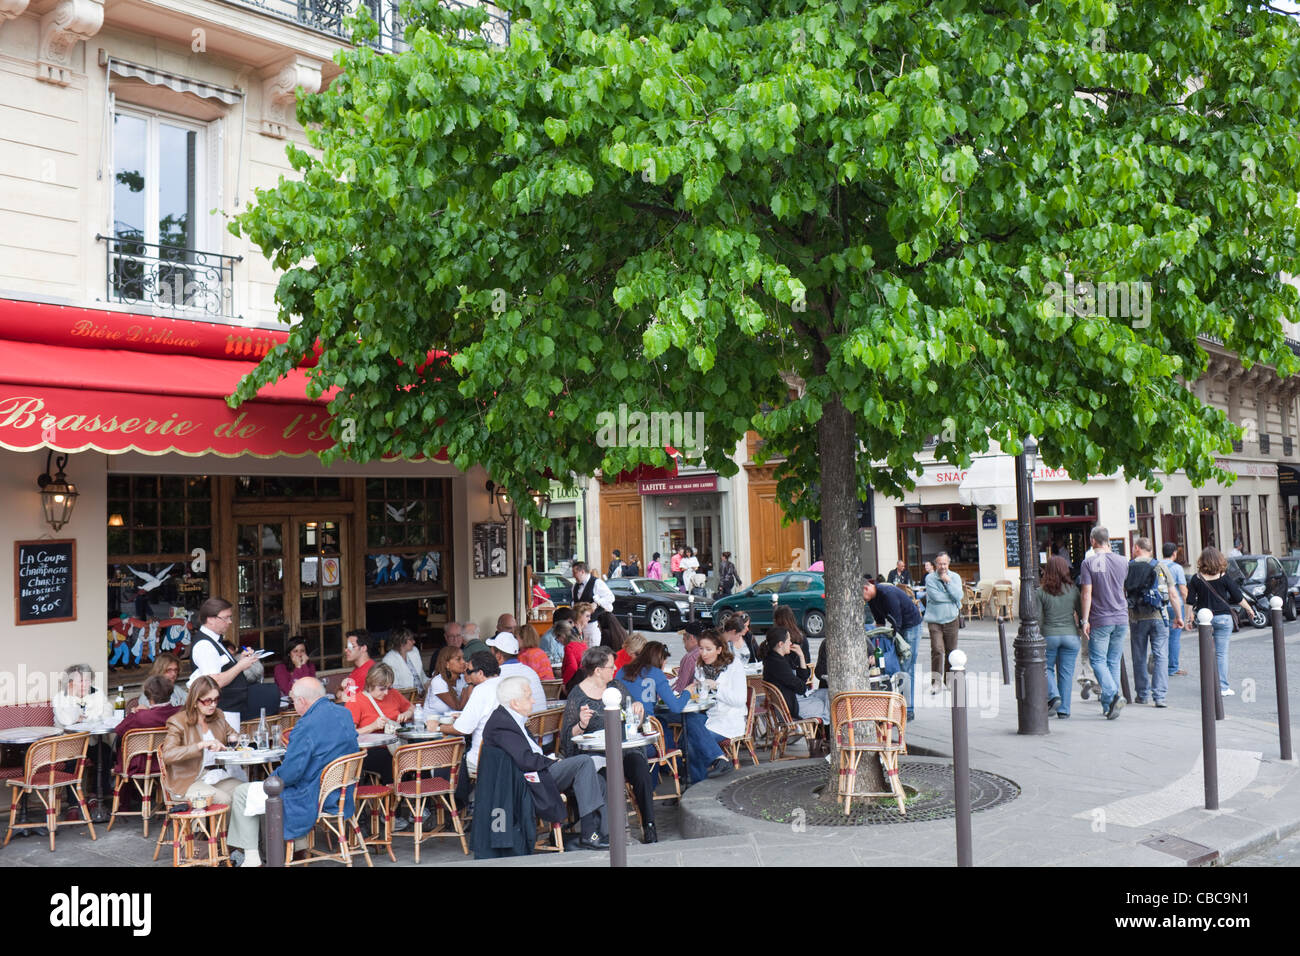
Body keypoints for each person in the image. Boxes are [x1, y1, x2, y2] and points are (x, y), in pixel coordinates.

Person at [226, 676, 359, 867]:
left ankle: (252, 859)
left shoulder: (306, 725)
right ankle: (285, 850)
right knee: (262, 793)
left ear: (301, 701)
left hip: (313, 796)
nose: (293, 704)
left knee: (242, 793)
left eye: (292, 700)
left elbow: (290, 775)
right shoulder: (344, 713)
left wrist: (272, 777)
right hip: (341, 793)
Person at [480, 676, 609, 851]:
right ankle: (588, 833)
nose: (533, 701)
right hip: (529, 780)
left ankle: (603, 832)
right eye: (529, 696)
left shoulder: (510, 718)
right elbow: (525, 760)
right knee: (584, 762)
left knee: (598, 778)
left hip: (538, 771)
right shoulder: (502, 723)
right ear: (515, 703)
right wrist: (551, 761)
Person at [559, 645, 660, 843]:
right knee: (604, 778)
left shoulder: (616, 687)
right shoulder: (577, 695)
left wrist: (637, 712)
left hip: (623, 750)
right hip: (597, 756)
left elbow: (634, 716)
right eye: (610, 667)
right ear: (597, 670)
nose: (614, 670)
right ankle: (610, 830)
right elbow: (566, 737)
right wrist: (581, 724)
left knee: (640, 770)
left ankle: (649, 825)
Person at [160, 676, 243, 807]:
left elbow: (233, 735)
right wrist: (201, 745)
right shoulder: (178, 721)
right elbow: (168, 755)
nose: (213, 705)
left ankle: (235, 828)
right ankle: (216, 828)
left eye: (216, 700)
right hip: (188, 780)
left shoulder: (218, 716)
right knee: (224, 799)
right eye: (207, 701)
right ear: (195, 701)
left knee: (245, 792)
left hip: (215, 775)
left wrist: (234, 739)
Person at [1079, 525, 1132, 719]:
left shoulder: (1089, 563)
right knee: (1113, 661)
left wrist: (1084, 620)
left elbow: (1087, 593)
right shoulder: (1122, 561)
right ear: (1108, 540)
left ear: (1093, 541)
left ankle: (1113, 693)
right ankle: (1108, 706)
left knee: (1098, 660)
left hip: (1101, 618)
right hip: (1121, 616)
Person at [1187, 546, 1254, 697]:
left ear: (1202, 560)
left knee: (1206, 653)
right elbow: (1237, 596)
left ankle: (1208, 685)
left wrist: (1188, 618)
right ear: (1219, 560)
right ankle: (1222, 687)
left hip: (1204, 621)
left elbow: (1190, 601)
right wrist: (1249, 609)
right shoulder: (1224, 576)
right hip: (1223, 618)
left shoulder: (1196, 578)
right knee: (1221, 654)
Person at [1126, 537, 1184, 708]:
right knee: (1160, 655)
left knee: (1139, 656)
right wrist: (1178, 616)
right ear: (1150, 549)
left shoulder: (1128, 567)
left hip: (1137, 617)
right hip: (1159, 615)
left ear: (1137, 548)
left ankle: (1142, 695)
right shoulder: (1160, 566)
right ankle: (1159, 696)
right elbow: (1173, 594)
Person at [188, 597, 261, 718]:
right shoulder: (204, 645)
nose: (230, 621)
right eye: (226, 617)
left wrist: (240, 660)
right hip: (221, 712)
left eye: (230, 617)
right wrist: (240, 666)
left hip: (228, 708)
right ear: (210, 619)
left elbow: (222, 668)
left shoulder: (214, 640)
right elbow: (214, 682)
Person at [54, 664, 114, 803]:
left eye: (87, 680)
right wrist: (79, 714)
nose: (85, 684)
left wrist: (83, 717)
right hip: (69, 744)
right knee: (73, 763)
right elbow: (66, 720)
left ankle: (95, 796)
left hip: (91, 741)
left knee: (106, 754)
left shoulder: (96, 692)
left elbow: (107, 713)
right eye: (80, 681)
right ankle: (73, 804)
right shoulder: (61, 698)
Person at [344, 663, 413, 786]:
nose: (386, 692)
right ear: (370, 685)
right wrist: (373, 726)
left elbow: (412, 708)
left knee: (419, 752)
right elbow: (348, 733)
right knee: (390, 761)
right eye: (382, 688)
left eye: (389, 688)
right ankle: (395, 800)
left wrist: (407, 714)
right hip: (368, 750)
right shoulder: (356, 701)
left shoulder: (393, 694)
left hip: (396, 745)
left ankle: (422, 798)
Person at [863, 576, 922, 710]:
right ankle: (897, 705)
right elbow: (879, 623)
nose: (862, 600)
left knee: (906, 667)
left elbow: (897, 622)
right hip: (898, 626)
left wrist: (892, 643)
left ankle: (908, 709)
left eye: (861, 595)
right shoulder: (871, 600)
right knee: (898, 667)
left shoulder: (887, 594)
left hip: (911, 625)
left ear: (866, 588)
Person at [443, 652, 503, 779]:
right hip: (505, 755)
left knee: (440, 764)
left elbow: (462, 729)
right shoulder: (507, 683)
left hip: (482, 758)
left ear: (480, 673)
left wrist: (438, 727)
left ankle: (457, 798)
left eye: (469, 671)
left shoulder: (481, 690)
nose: (466, 675)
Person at [1038, 555, 1082, 718]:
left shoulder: (1040, 592)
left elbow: (1038, 618)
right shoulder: (1073, 590)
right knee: (1066, 673)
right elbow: (1081, 611)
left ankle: (1053, 695)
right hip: (1071, 636)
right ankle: (1064, 709)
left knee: (1045, 667)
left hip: (1049, 635)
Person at [114, 676, 183, 778]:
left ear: (148, 695)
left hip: (142, 765)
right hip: (171, 762)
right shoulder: (180, 712)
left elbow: (119, 730)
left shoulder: (140, 716)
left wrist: (133, 713)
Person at [696, 631, 743, 778]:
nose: (704, 653)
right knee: (689, 732)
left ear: (719, 650)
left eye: (708, 649)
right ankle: (719, 761)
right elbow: (702, 698)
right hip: (708, 716)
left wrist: (717, 686)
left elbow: (739, 700)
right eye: (701, 648)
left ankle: (695, 781)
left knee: (694, 740)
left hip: (729, 719)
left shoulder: (734, 666)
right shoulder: (700, 668)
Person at [759, 627, 829, 723]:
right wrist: (801, 684)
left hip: (795, 699)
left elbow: (803, 679)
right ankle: (831, 732)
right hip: (792, 707)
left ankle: (825, 731)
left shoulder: (781, 658)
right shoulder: (777, 664)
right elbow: (801, 688)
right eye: (788, 640)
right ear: (780, 644)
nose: (791, 643)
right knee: (829, 704)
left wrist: (801, 656)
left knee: (829, 694)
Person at [922, 552, 963, 710]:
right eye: (940, 564)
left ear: (949, 564)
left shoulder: (955, 577)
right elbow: (935, 597)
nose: (942, 567)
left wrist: (948, 583)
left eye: (945, 564)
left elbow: (959, 595)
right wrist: (953, 598)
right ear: (935, 564)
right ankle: (936, 682)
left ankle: (949, 680)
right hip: (935, 620)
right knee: (938, 650)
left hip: (952, 619)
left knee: (952, 652)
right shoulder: (930, 578)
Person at [489, 631, 547, 712]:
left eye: (491, 654)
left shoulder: (497, 676)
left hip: (521, 723)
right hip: (540, 723)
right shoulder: (530, 671)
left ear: (498, 656)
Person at [1161, 543, 1190, 676]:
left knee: (1161, 636)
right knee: (1174, 637)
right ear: (1174, 553)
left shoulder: (1156, 565)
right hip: (1174, 606)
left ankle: (1159, 664)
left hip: (1160, 606)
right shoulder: (1177, 568)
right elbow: (1183, 591)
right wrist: (1188, 607)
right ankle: (1172, 667)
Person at [425, 645, 472, 715]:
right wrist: (469, 683)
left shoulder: (463, 678)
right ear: (447, 664)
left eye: (463, 658)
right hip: (432, 722)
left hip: (453, 722)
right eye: (458, 659)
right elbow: (458, 708)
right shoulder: (438, 681)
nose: (463, 662)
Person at [382, 627, 428, 694]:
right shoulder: (389, 660)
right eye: (411, 639)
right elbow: (395, 687)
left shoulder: (414, 651)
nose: (414, 642)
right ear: (401, 642)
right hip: (405, 698)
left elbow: (422, 676)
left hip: (422, 695)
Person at [337, 629, 375, 703]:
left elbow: (343, 702)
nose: (346, 650)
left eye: (351, 646)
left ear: (364, 648)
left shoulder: (367, 672)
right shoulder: (359, 668)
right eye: (346, 646)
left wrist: (341, 695)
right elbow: (340, 690)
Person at [672, 624, 704, 692]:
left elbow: (680, 687)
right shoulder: (708, 653)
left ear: (691, 638)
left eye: (684, 640)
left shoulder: (690, 658)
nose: (684, 645)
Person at [558, 619, 588, 687]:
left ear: (563, 635)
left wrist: (564, 683)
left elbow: (572, 667)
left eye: (558, 637)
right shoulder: (583, 644)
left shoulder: (569, 647)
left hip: (575, 683)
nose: (558, 640)